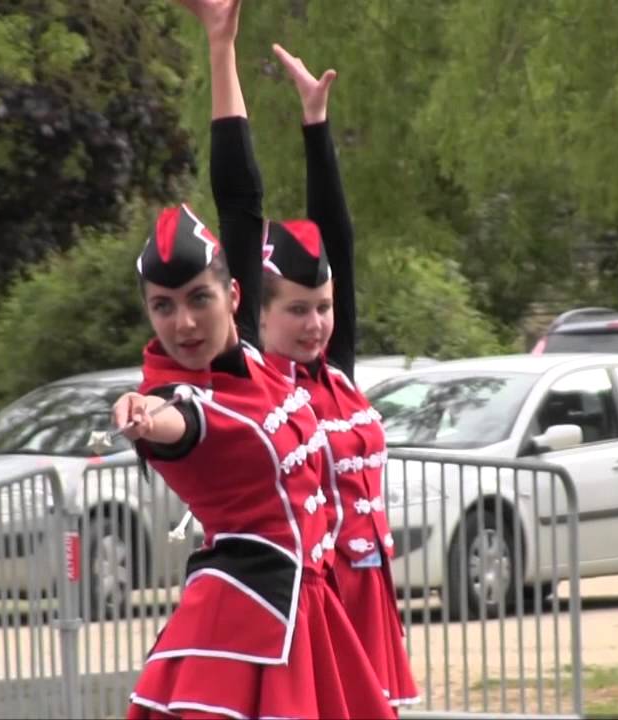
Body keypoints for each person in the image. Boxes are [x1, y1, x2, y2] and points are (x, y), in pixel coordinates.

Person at [112, 1, 394, 717]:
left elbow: (243, 197)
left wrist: (221, 44)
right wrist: (149, 418)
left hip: (314, 607)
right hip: (241, 623)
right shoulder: (176, 395)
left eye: (198, 299)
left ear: (233, 295)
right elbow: (189, 424)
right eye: (162, 306)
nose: (182, 322)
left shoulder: (265, 361)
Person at [211, 35, 419, 711]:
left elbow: (339, 240)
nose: (316, 324)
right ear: (254, 312)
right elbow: (240, 207)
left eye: (324, 308)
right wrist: (222, 50)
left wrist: (315, 124)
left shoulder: (337, 373)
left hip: (367, 601)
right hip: (299, 607)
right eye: (298, 311)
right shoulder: (253, 378)